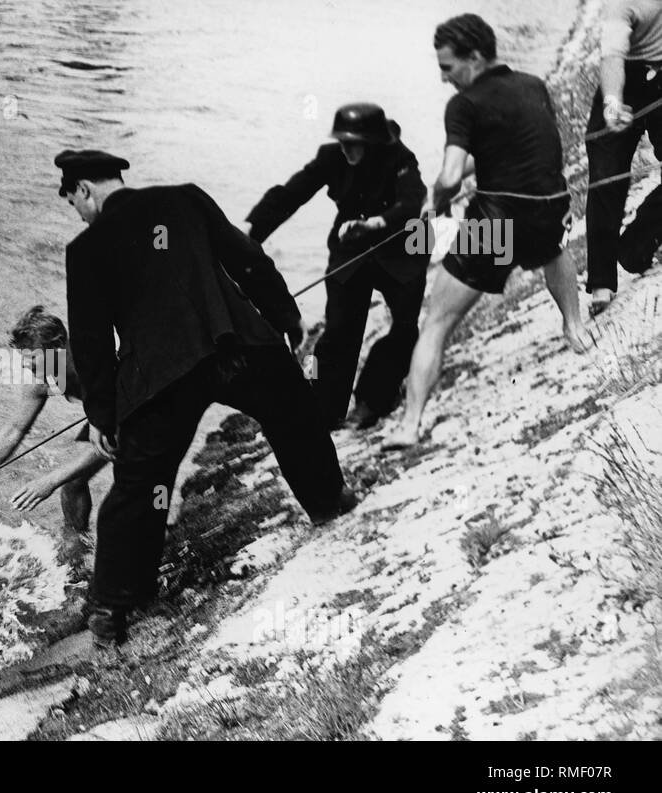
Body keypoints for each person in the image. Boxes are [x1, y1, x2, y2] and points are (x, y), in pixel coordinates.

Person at [56, 149, 355, 646]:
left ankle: (111, 605)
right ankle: (328, 502)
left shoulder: (84, 250)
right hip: (234, 343)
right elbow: (249, 260)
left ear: (84, 190)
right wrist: (285, 315)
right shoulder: (185, 199)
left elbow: (90, 343)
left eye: (74, 204)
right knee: (294, 413)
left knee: (141, 484)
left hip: (160, 376)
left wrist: (104, 416)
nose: (79, 215)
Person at [384, 14, 593, 451]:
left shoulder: (463, 105)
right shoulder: (532, 85)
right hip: (548, 209)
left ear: (474, 58)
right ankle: (575, 329)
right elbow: (525, 143)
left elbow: (451, 174)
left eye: (447, 67)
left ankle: (409, 425)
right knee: (553, 252)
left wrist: (436, 203)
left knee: (436, 321)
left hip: (495, 227)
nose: (444, 78)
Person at [247, 103, 430, 431]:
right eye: (342, 141)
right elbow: (291, 194)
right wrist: (251, 230)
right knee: (338, 333)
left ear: (373, 141)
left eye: (354, 143)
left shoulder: (401, 159)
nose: (346, 149)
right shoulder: (331, 157)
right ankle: (323, 410)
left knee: (404, 330)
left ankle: (372, 399)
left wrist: (376, 224)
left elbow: (411, 204)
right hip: (351, 247)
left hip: (402, 248)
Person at [0, 306, 108, 565]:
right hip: (102, 412)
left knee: (136, 478)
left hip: (135, 402)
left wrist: (48, 482)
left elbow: (108, 443)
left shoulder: (94, 364)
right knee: (74, 482)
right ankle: (76, 547)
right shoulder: (42, 375)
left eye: (35, 357)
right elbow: (14, 430)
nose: (29, 365)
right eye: (24, 358)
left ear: (61, 345)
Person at [585, 0, 662, 315]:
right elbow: (612, 57)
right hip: (624, 81)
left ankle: (635, 247)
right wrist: (613, 102)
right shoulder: (621, 4)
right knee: (606, 178)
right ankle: (602, 282)